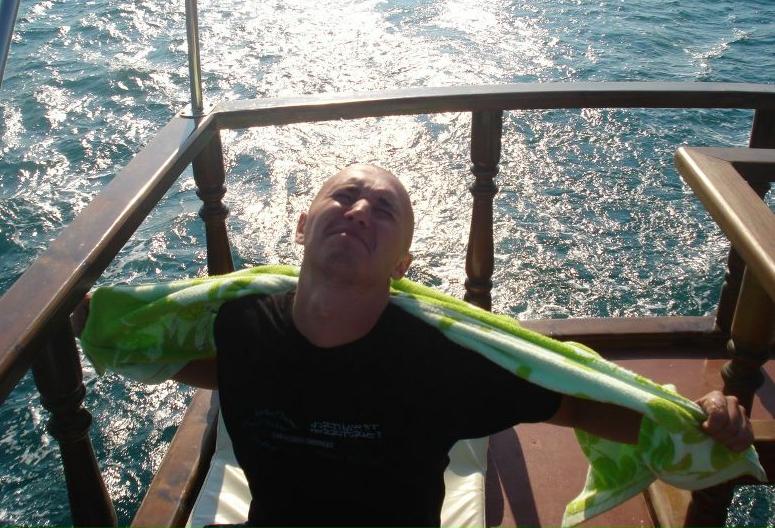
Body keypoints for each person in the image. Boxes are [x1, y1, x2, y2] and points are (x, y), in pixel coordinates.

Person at [74, 164, 754, 528]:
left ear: (402, 264)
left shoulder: (443, 366)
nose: (359, 210)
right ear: (304, 225)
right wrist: (91, 322)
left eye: (383, 210)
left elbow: (576, 405)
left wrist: (698, 418)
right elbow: (208, 368)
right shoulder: (241, 329)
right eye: (345, 196)